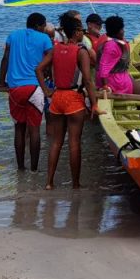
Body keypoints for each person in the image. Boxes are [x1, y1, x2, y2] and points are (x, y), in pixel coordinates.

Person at [37, 14, 99, 190]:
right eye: (82, 31)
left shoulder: (56, 49)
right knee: (74, 142)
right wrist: (94, 103)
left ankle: (49, 182)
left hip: (57, 96)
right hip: (73, 98)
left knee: (56, 141)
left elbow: (39, 69)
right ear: (78, 32)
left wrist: (46, 90)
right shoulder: (81, 51)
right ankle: (75, 183)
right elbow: (87, 80)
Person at [0, 12, 53, 171]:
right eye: (43, 26)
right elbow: (50, 58)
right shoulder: (44, 39)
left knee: (19, 128)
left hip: (15, 89)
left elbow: (6, 58)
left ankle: (21, 167)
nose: (44, 29)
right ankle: (34, 168)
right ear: (38, 25)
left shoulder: (13, 36)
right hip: (34, 88)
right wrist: (49, 75)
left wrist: (2, 81)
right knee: (34, 129)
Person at [95, 16, 140, 98]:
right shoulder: (111, 46)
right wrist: (105, 86)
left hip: (120, 75)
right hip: (114, 81)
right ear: (116, 32)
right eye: (122, 29)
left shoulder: (110, 39)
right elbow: (103, 68)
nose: (124, 31)